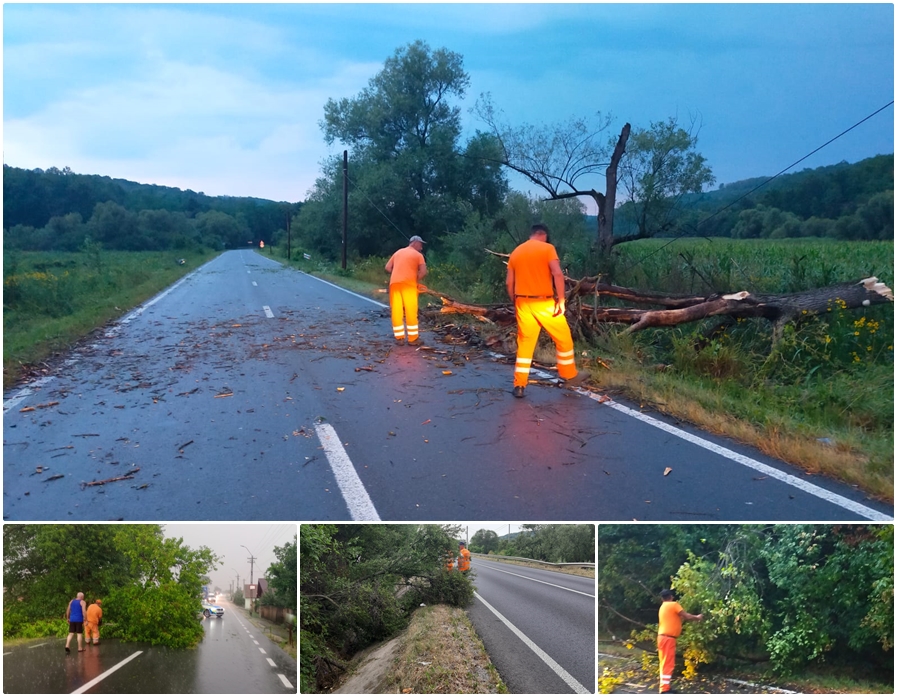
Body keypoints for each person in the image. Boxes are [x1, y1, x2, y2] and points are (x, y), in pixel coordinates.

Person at [505, 223, 587, 398]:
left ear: (532, 234)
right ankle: (569, 375)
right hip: (543, 302)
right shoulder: (548, 249)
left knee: (525, 344)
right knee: (563, 337)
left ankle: (519, 385)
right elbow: (557, 274)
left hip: (522, 302)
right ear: (544, 235)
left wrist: (515, 301)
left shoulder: (516, 252)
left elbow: (509, 283)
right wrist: (562, 300)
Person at [657, 589, 703, 694]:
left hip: (661, 637)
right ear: (671, 596)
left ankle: (665, 687)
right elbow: (686, 616)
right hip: (668, 638)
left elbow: (679, 618)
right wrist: (697, 617)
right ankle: (664, 690)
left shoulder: (663, 607)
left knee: (664, 663)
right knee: (668, 663)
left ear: (662, 598)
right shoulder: (673, 605)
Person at [385, 235, 427, 344]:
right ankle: (413, 339)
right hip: (409, 285)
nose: (421, 247)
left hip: (394, 284)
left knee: (396, 310)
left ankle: (399, 339)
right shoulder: (418, 255)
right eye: (421, 244)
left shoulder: (398, 252)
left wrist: (398, 273)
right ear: (415, 243)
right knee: (410, 310)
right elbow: (423, 272)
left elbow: (388, 267)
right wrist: (415, 279)